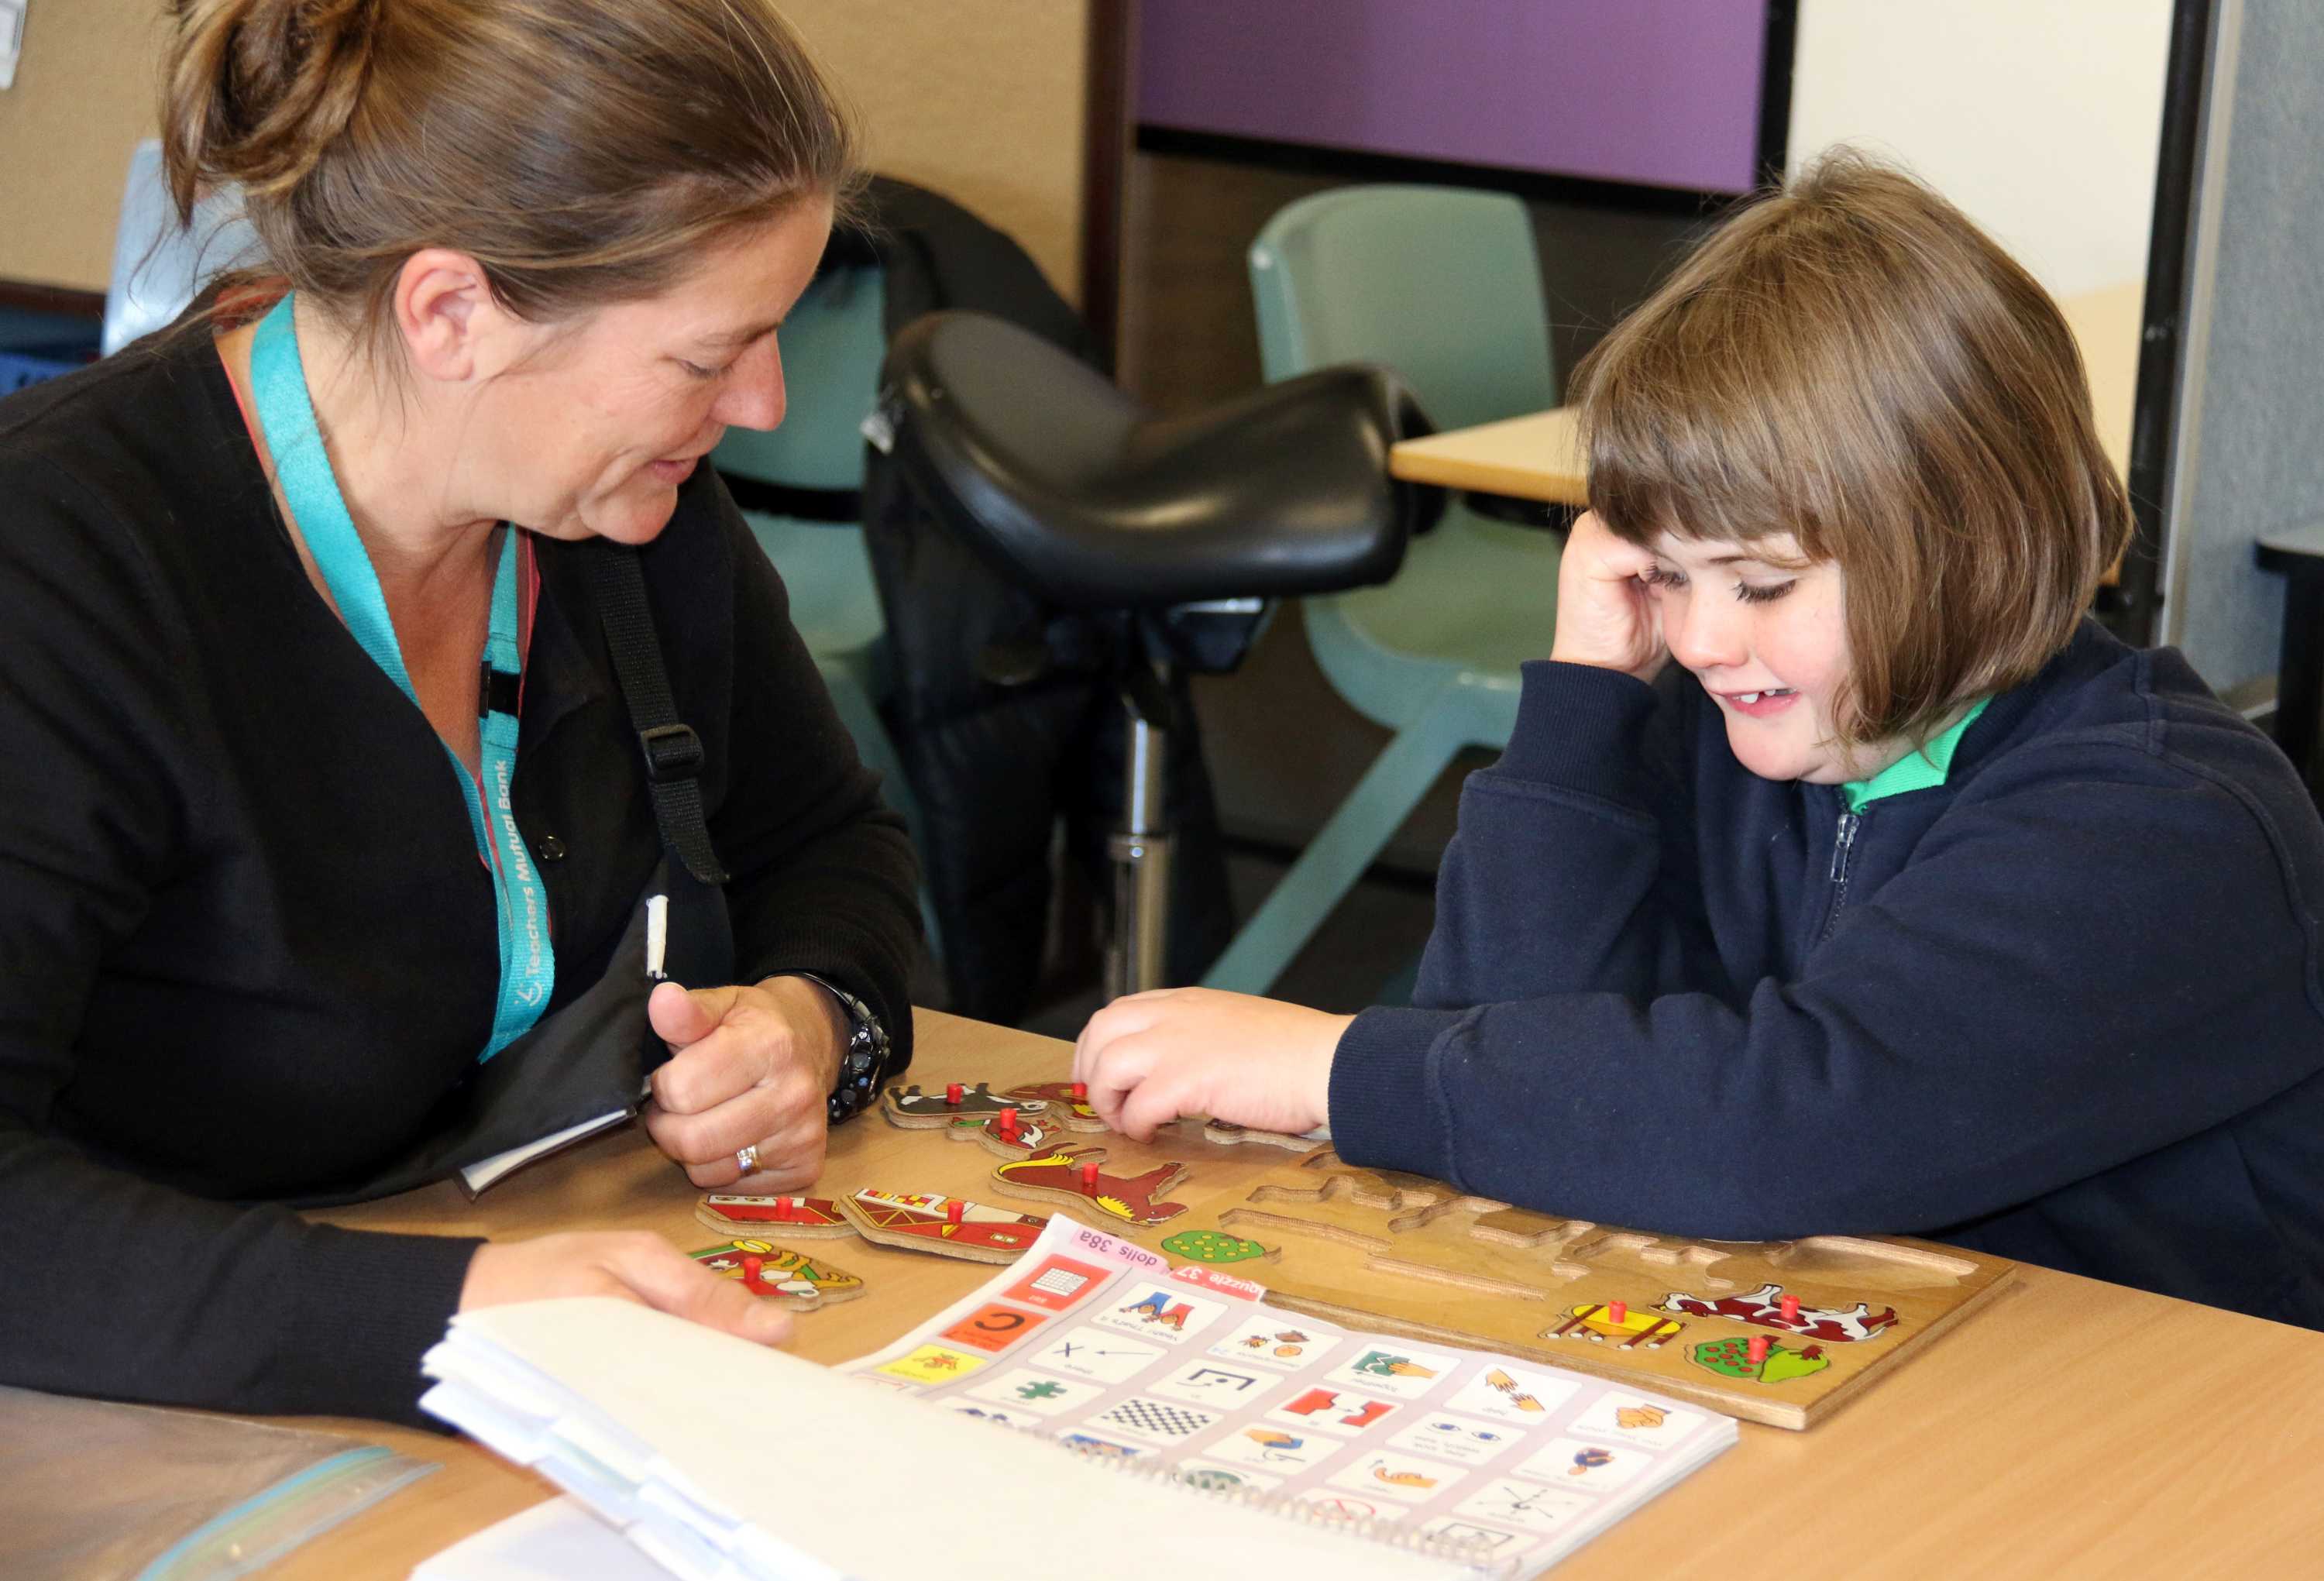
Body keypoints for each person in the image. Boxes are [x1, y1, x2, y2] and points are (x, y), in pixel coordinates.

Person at [1074, 155, 2324, 1329]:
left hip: (2160, 1426)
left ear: (1965, 544)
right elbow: (1508, 1035)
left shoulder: (2163, 822)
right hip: (1874, 1358)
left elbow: (1790, 1123)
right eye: (1666, 574)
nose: (1707, 638)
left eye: (1762, 583)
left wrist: (1335, 1068)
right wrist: (1585, 693)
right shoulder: (1736, 714)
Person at [0, 0, 923, 1422]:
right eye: (707, 354)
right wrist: (456, 1317)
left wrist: (813, 1022)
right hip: (136, 1398)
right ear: (451, 312)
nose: (760, 402)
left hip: (489, 1315)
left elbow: (829, 842)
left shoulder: (632, 510)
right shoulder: (60, 567)